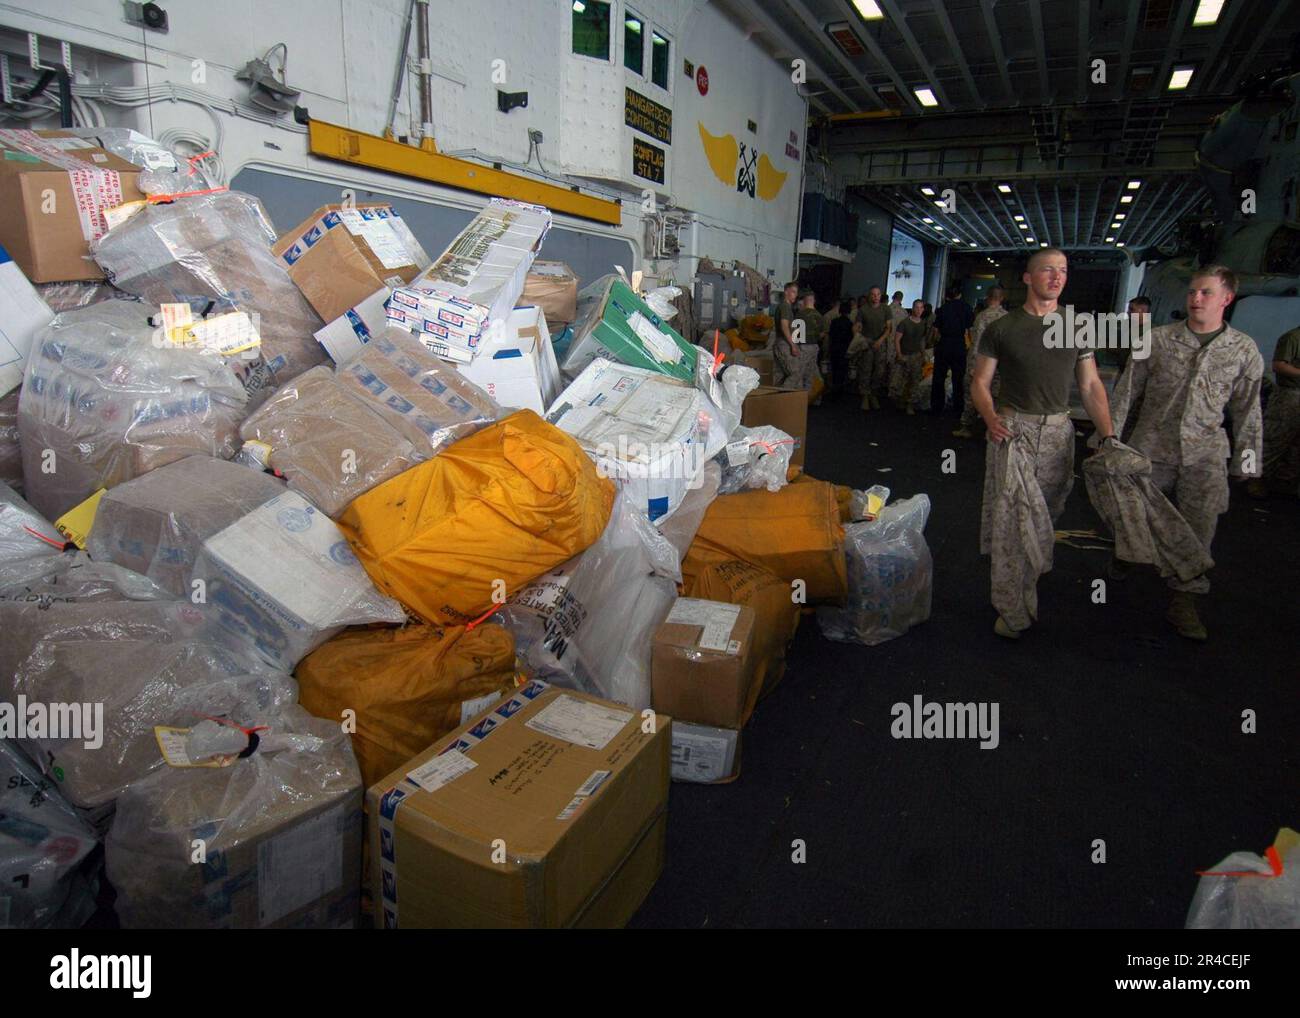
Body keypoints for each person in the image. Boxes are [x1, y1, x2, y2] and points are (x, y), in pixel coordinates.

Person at [1108, 266, 1263, 640]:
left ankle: (1184, 600)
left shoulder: (1242, 350)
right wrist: (1108, 437)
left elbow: (1247, 408)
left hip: (1204, 456)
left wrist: (1248, 458)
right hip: (1151, 449)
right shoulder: (1157, 339)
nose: (1195, 299)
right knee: (1134, 517)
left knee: (1198, 530)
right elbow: (1127, 391)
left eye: (1206, 293)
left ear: (1227, 298)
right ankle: (1126, 552)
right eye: (1192, 292)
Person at [971, 248, 1116, 640]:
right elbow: (981, 383)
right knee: (1011, 521)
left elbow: (1089, 386)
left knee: (1044, 518)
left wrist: (1109, 434)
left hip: (1057, 435)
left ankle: (1027, 581)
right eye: (1047, 270)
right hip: (1013, 432)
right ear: (1028, 278)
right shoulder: (1001, 328)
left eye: (1063, 271)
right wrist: (990, 418)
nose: (1056, 277)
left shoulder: (1077, 326)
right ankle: (1011, 607)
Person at [1247, 323, 1300, 499]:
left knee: (1295, 444)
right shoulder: (1292, 337)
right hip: (1289, 395)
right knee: (1274, 439)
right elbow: (1279, 365)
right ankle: (1255, 479)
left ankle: (1283, 481)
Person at [953, 286, 1007, 438]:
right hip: (1000, 367)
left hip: (983, 364)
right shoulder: (1008, 318)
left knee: (972, 395)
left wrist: (973, 367)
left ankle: (966, 427)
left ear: (988, 297)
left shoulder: (982, 317)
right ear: (1002, 298)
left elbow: (977, 343)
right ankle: (992, 429)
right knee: (996, 398)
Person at [773, 282, 822, 396]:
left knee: (781, 375)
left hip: (782, 343)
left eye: (796, 293)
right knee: (796, 372)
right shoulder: (785, 306)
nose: (795, 295)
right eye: (793, 292)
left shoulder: (786, 307)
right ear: (786, 292)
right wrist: (793, 345)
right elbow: (784, 326)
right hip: (784, 344)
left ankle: (787, 404)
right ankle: (782, 399)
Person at [932, 285, 975, 416]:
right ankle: (958, 408)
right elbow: (970, 330)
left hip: (944, 344)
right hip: (959, 345)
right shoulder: (967, 308)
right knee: (958, 378)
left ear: (948, 296)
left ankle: (936, 407)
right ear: (960, 295)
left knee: (939, 377)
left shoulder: (942, 309)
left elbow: (935, 331)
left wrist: (935, 344)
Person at [851, 286, 892, 411]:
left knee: (879, 371)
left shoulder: (886, 309)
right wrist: (857, 337)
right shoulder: (863, 310)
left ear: (880, 295)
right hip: (867, 342)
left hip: (880, 342)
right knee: (866, 370)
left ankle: (873, 393)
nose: (875, 297)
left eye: (878, 294)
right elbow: (857, 326)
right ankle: (865, 396)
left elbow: (888, 328)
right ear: (870, 296)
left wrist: (880, 340)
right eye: (873, 295)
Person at [893, 300, 931, 416]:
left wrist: (923, 354)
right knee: (901, 381)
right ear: (913, 308)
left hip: (916, 356)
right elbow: (897, 339)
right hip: (904, 355)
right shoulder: (904, 323)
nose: (919, 310)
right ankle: (900, 400)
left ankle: (910, 404)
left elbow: (922, 340)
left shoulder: (923, 323)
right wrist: (899, 354)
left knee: (914, 381)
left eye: (921, 308)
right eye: (917, 308)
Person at [828, 299, 856, 397]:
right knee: (843, 371)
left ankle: (834, 390)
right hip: (845, 350)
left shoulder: (834, 322)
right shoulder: (850, 324)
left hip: (835, 349)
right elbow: (852, 338)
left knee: (835, 371)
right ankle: (840, 391)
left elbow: (831, 336)